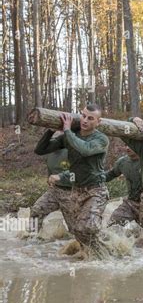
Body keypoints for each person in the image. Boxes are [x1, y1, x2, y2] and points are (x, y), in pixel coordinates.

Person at [34, 104, 110, 257]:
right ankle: (98, 256)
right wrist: (51, 129)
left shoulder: (101, 139)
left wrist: (68, 130)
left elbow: (85, 149)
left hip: (96, 190)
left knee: (86, 227)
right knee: (77, 230)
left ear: (98, 122)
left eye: (90, 118)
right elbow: (40, 150)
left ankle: (106, 254)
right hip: (76, 191)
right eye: (83, 116)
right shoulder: (70, 136)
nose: (85, 120)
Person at [29, 130, 72, 234]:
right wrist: (49, 178)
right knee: (36, 210)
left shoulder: (71, 152)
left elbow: (79, 172)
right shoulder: (50, 153)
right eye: (51, 142)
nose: (52, 144)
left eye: (56, 142)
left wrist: (61, 177)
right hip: (55, 191)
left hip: (72, 192)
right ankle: (32, 238)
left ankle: (71, 244)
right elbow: (51, 168)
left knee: (75, 227)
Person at [105, 146, 142, 227]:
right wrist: (93, 178)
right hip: (131, 202)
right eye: (125, 145)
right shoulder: (122, 162)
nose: (127, 148)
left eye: (130, 145)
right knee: (112, 225)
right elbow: (111, 174)